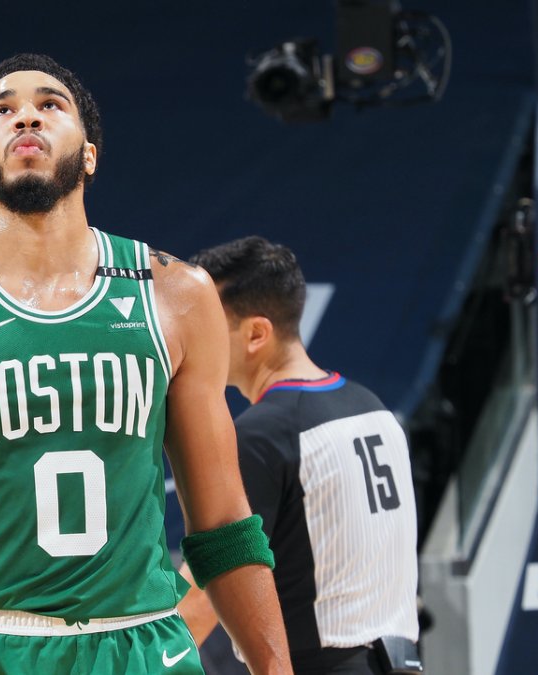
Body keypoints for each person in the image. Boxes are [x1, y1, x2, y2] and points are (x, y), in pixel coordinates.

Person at [0, 53, 292, 675]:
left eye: (50, 105)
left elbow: (222, 521)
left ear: (89, 155)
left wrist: (275, 668)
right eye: (1, 110)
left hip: (146, 645)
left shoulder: (175, 293)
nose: (26, 116)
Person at [177, 236, 422, 674]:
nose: (196, 338)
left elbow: (202, 597)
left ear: (256, 333)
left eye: (209, 323)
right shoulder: (374, 408)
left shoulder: (264, 436)